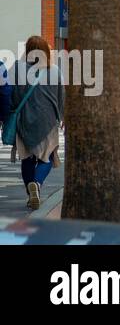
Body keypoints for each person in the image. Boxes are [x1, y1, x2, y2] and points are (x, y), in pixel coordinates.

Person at [7, 36, 63, 210]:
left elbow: (10, 93)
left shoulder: (17, 68)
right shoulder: (54, 70)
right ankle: (37, 184)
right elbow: (61, 96)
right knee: (47, 157)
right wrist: (61, 116)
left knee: (27, 158)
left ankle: (31, 189)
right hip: (47, 122)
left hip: (24, 120)